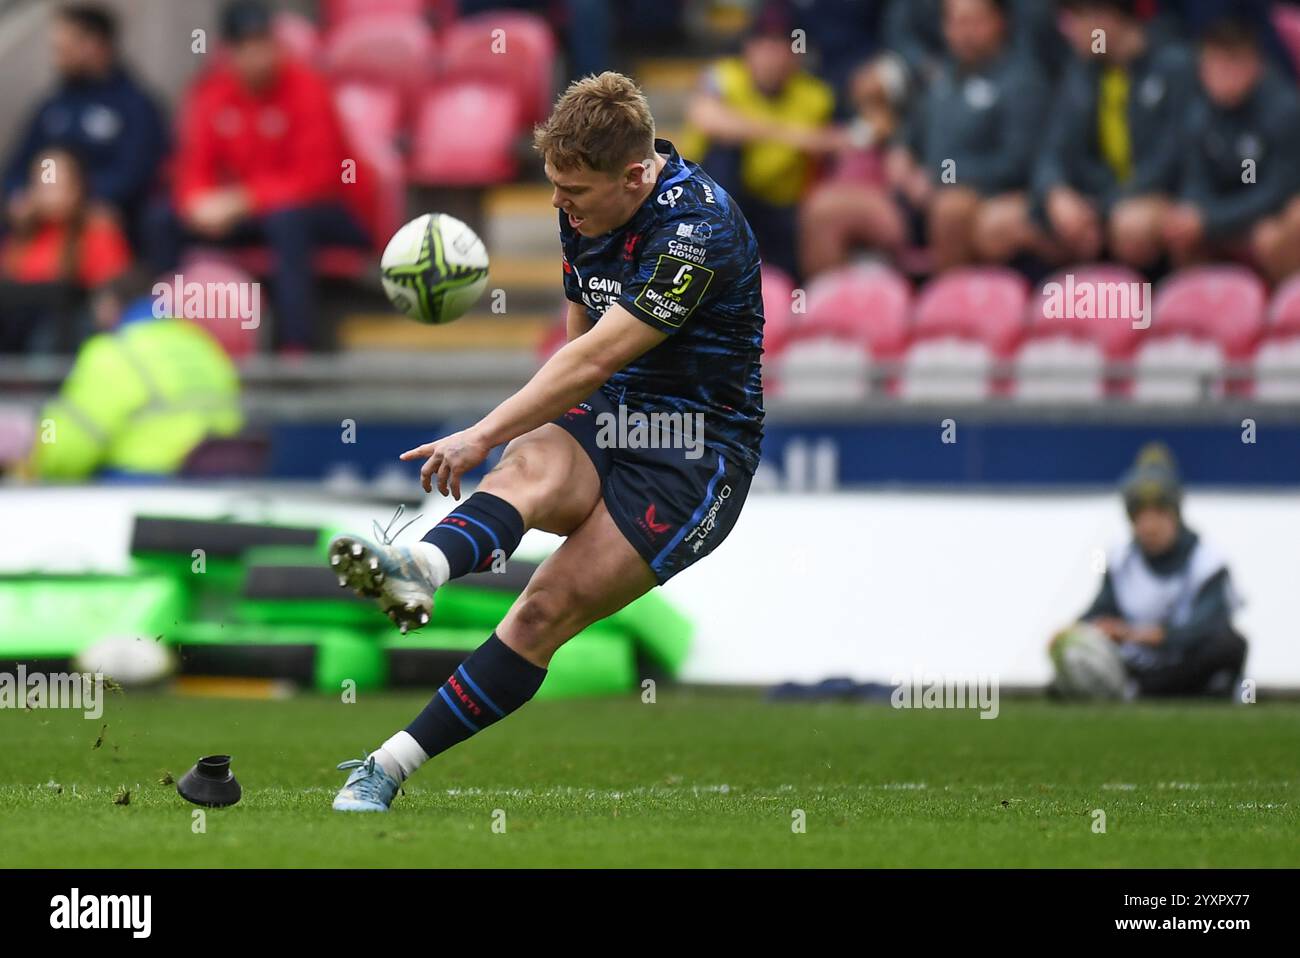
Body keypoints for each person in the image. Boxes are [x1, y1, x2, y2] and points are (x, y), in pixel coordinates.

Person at [326, 72, 764, 812]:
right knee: (530, 467)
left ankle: (387, 766)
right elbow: (579, 337)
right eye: (554, 186)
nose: (559, 204)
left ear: (634, 176)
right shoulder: (585, 204)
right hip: (614, 405)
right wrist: (540, 429)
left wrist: (480, 433)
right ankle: (423, 566)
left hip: (694, 449)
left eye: (574, 191)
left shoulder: (698, 232)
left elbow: (598, 354)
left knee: (539, 613)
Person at [146, 0, 372, 352]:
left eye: (263, 43)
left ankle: (295, 350)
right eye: (245, 47)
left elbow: (319, 177)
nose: (257, 56)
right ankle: (162, 335)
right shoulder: (212, 94)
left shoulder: (308, 88)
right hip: (250, 212)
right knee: (162, 219)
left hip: (327, 212)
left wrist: (243, 200)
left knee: (286, 221)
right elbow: (192, 165)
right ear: (230, 53)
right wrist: (197, 203)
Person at [832, 0, 1050, 273]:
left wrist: (941, 179)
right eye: (955, 22)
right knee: (826, 210)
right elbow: (912, 133)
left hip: (981, 198)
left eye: (974, 21)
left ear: (999, 22)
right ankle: (834, 312)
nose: (963, 32)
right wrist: (902, 154)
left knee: (950, 209)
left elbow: (1017, 164)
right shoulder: (940, 76)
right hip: (913, 199)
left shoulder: (1023, 81)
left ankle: (949, 312)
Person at [1053, 443, 1248, 699]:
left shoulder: (1208, 561)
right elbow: (1100, 610)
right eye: (1141, 516)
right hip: (1139, 663)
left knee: (1230, 645)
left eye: (1159, 513)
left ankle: (1144, 691)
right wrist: (1069, 633)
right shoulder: (1120, 560)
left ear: (1175, 515)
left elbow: (1203, 627)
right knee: (1073, 661)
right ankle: (1143, 689)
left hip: (1186, 661)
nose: (1150, 526)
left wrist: (1136, 634)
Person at [1022, 0, 1196, 270]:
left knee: (1130, 225)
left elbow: (1173, 160)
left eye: (1077, 20)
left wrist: (1100, 208)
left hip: (1159, 196)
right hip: (1098, 199)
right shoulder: (1081, 70)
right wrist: (1056, 193)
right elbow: (1052, 148)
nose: (1070, 32)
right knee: (1009, 225)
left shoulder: (1176, 66)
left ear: (1106, 18)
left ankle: (1162, 304)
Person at [25, 276, 243, 481]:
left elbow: (66, 449)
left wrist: (40, 442)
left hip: (135, 486)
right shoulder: (200, 343)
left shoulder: (112, 352)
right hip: (216, 486)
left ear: (110, 304)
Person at [682, 2, 840, 280]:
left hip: (781, 207)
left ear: (796, 53)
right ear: (748, 49)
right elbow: (707, 117)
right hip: (719, 201)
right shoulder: (723, 76)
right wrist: (789, 134)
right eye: (763, 44)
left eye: (782, 45)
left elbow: (836, 141)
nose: (772, 55)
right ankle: (715, 267)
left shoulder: (816, 95)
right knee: (723, 154)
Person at [1, 4, 167, 249]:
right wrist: (21, 196)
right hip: (43, 210)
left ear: (94, 44)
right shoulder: (52, 106)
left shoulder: (136, 106)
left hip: (102, 213)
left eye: (63, 48)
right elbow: (18, 165)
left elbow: (134, 174)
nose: (56, 58)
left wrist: (74, 198)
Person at [1162, 17, 1300, 282]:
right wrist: (1195, 215)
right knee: (1179, 227)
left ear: (1254, 65)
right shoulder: (1198, 113)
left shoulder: (1285, 110)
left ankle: (1280, 311)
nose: (1217, 75)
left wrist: (1212, 219)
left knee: (1278, 229)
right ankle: (1200, 310)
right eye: (1210, 65)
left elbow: (1277, 190)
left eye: (1229, 65)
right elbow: (1194, 180)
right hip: (1224, 212)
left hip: (1267, 215)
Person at [0, 148, 132, 353]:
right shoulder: (22, 237)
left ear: (77, 187)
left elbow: (111, 292)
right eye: (42, 185)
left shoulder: (97, 230)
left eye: (57, 185)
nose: (49, 194)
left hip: (69, 333)